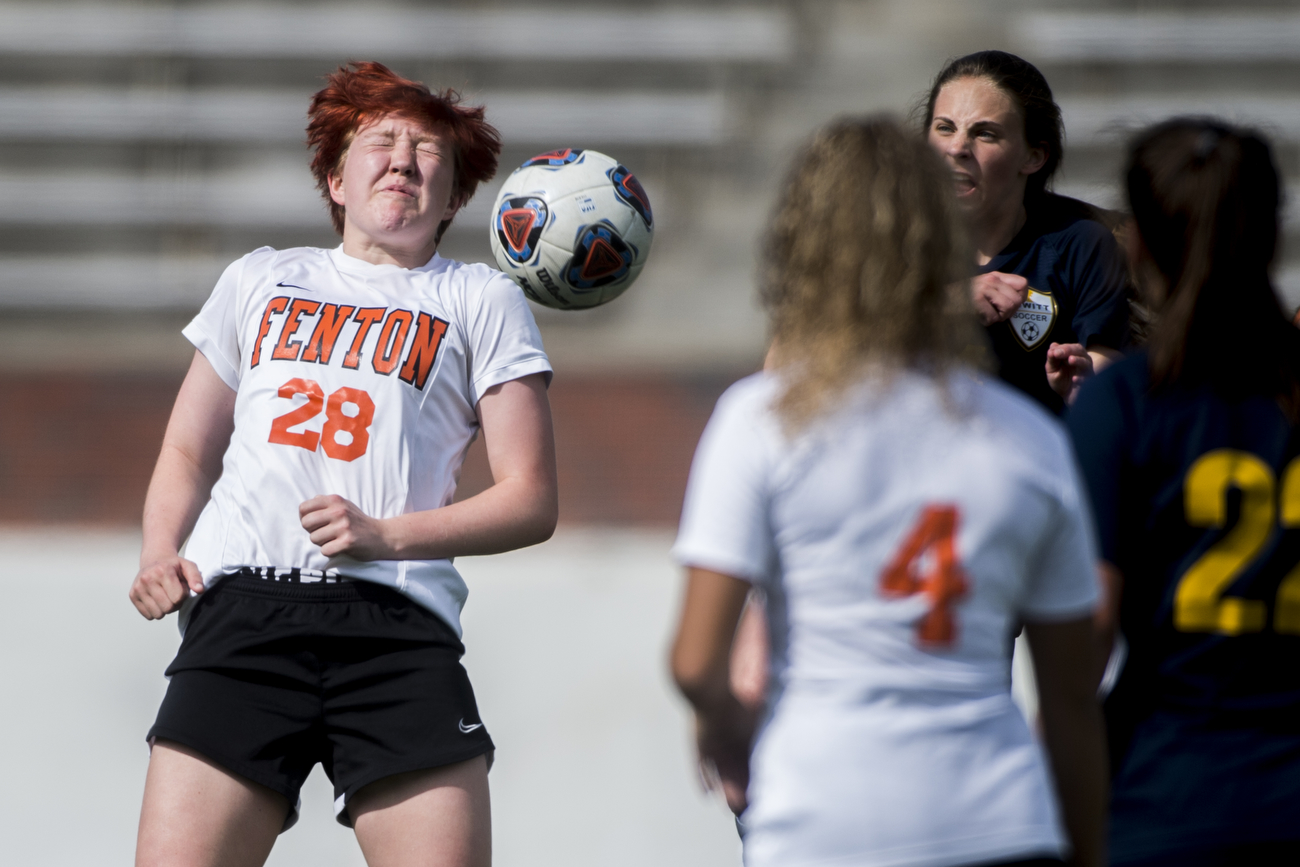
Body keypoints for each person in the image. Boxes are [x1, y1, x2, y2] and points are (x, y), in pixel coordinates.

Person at [128, 61, 557, 867]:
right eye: (381, 141)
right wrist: (159, 553)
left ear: (456, 197)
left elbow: (532, 499)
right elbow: (187, 447)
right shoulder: (260, 277)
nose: (403, 159)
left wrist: (385, 536)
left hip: (398, 628)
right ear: (335, 176)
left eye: (428, 149)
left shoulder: (479, 298)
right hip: (243, 617)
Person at [670, 116, 1107, 867]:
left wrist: (721, 731)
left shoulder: (762, 417)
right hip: (997, 819)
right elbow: (1071, 701)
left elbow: (694, 663)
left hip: (824, 817)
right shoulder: (1027, 438)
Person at [1068, 119, 1300, 866]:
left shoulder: (1125, 402)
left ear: (1137, 244)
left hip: (1164, 798)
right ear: (1271, 235)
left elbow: (1090, 626)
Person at [924, 50, 1130, 412]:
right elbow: (840, 350)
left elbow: (1106, 357)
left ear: (1034, 156)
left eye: (985, 134)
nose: (957, 148)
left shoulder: (1080, 243)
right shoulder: (893, 242)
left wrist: (1084, 379)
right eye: (945, 127)